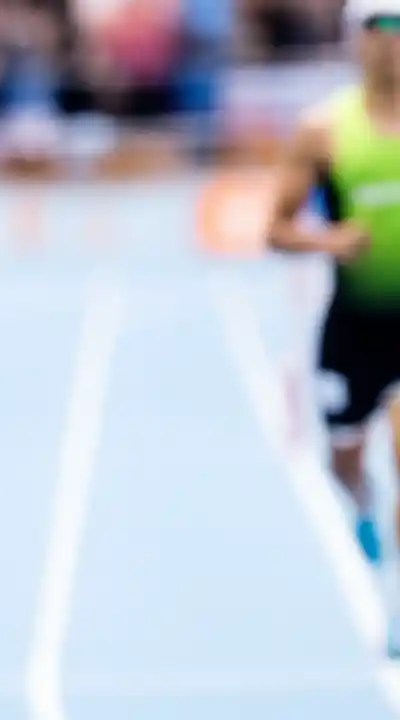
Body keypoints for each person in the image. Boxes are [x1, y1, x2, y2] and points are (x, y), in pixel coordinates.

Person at [267, 0, 400, 651]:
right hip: (354, 326)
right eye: (381, 30)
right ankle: (365, 506)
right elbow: (276, 229)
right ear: (357, 41)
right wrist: (331, 241)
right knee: (343, 462)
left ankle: (398, 599)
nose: (393, 44)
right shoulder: (322, 131)